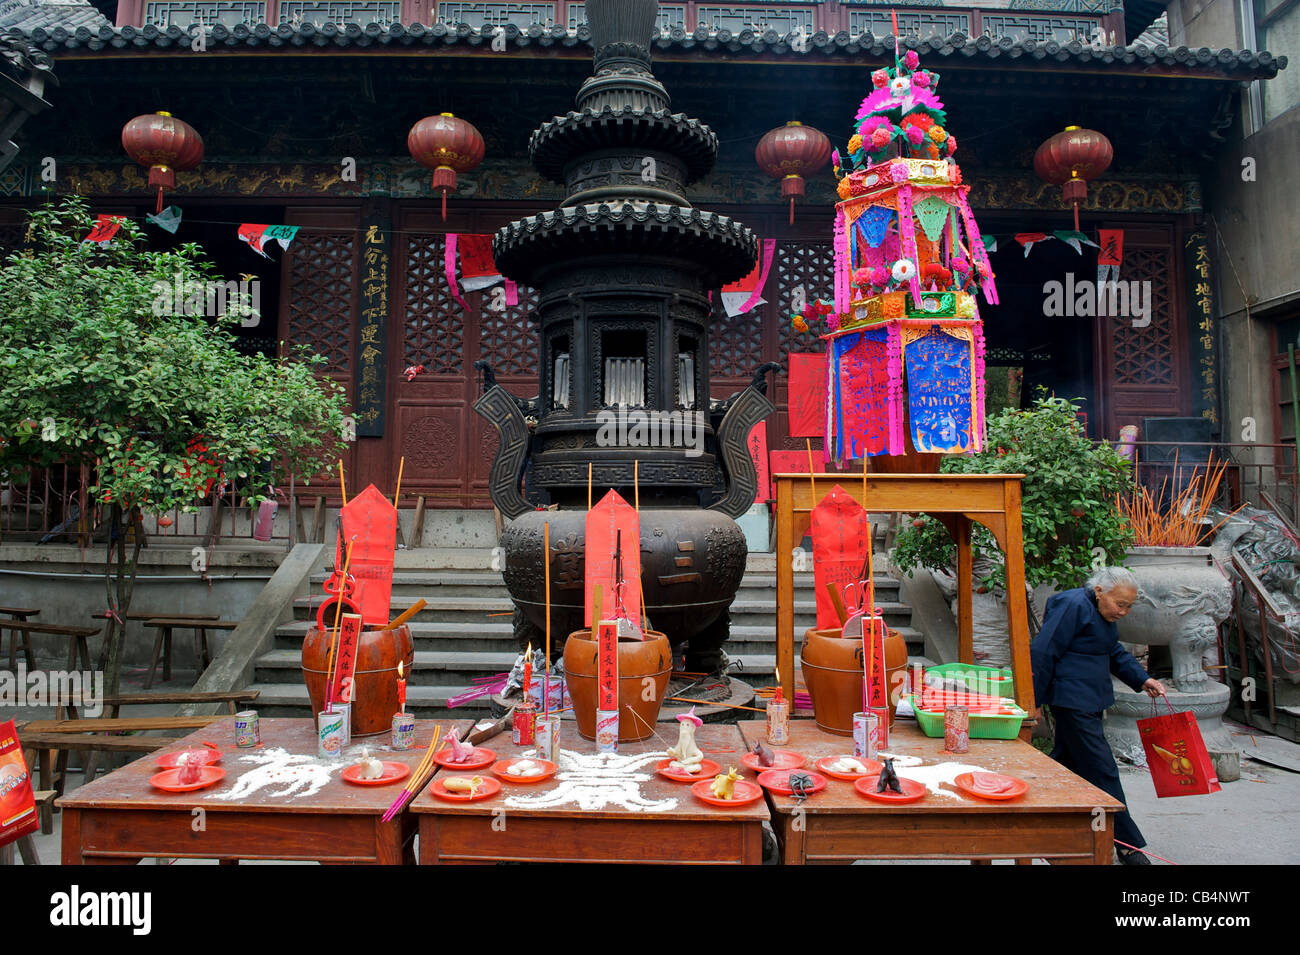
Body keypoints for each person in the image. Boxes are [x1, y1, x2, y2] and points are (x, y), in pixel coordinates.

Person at [1030, 566, 1168, 865]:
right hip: (1072, 700)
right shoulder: (1073, 605)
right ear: (1099, 591)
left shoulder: (1102, 614)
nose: (1123, 612)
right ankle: (1128, 845)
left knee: (1064, 765)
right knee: (1103, 769)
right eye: (1120, 604)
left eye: (1129, 606)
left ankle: (1029, 820)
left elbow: (1112, 651)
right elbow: (1043, 651)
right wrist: (1035, 700)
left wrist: (1142, 679)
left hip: (1091, 699)